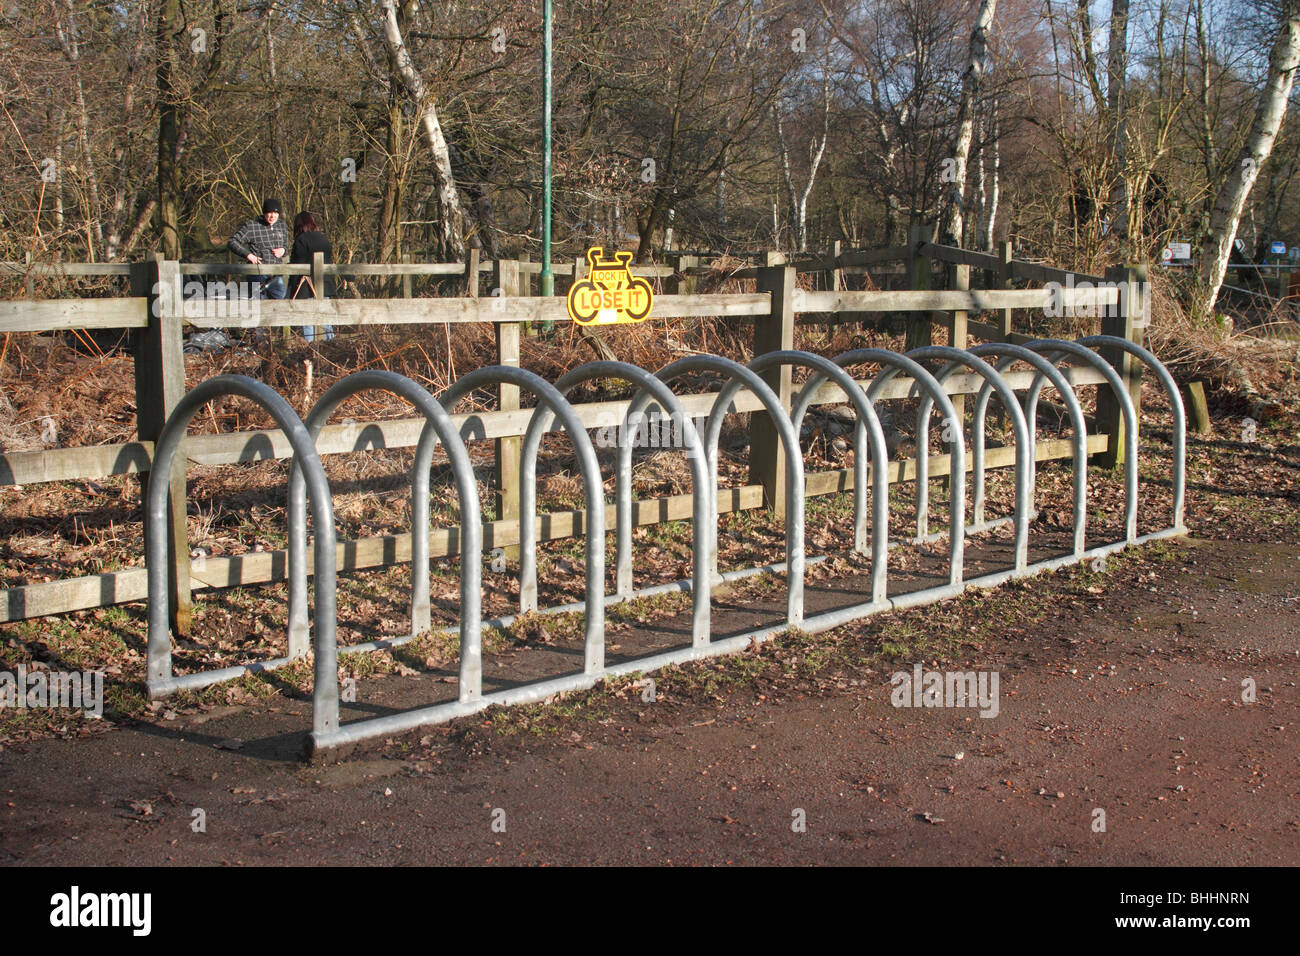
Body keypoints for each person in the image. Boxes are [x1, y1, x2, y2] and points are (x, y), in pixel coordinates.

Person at [227, 198, 289, 299]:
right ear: (264, 213)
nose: (272, 216)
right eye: (269, 213)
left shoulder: (282, 226)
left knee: (280, 304)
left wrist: (283, 251)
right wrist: (249, 255)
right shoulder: (252, 226)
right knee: (258, 306)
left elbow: (286, 247)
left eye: (275, 213)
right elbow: (232, 242)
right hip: (257, 273)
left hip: (276, 275)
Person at [289, 211, 335, 341]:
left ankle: (310, 350)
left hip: (306, 287)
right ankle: (331, 348)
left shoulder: (300, 240)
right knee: (325, 319)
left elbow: (297, 264)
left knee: (308, 320)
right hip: (325, 284)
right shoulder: (323, 238)